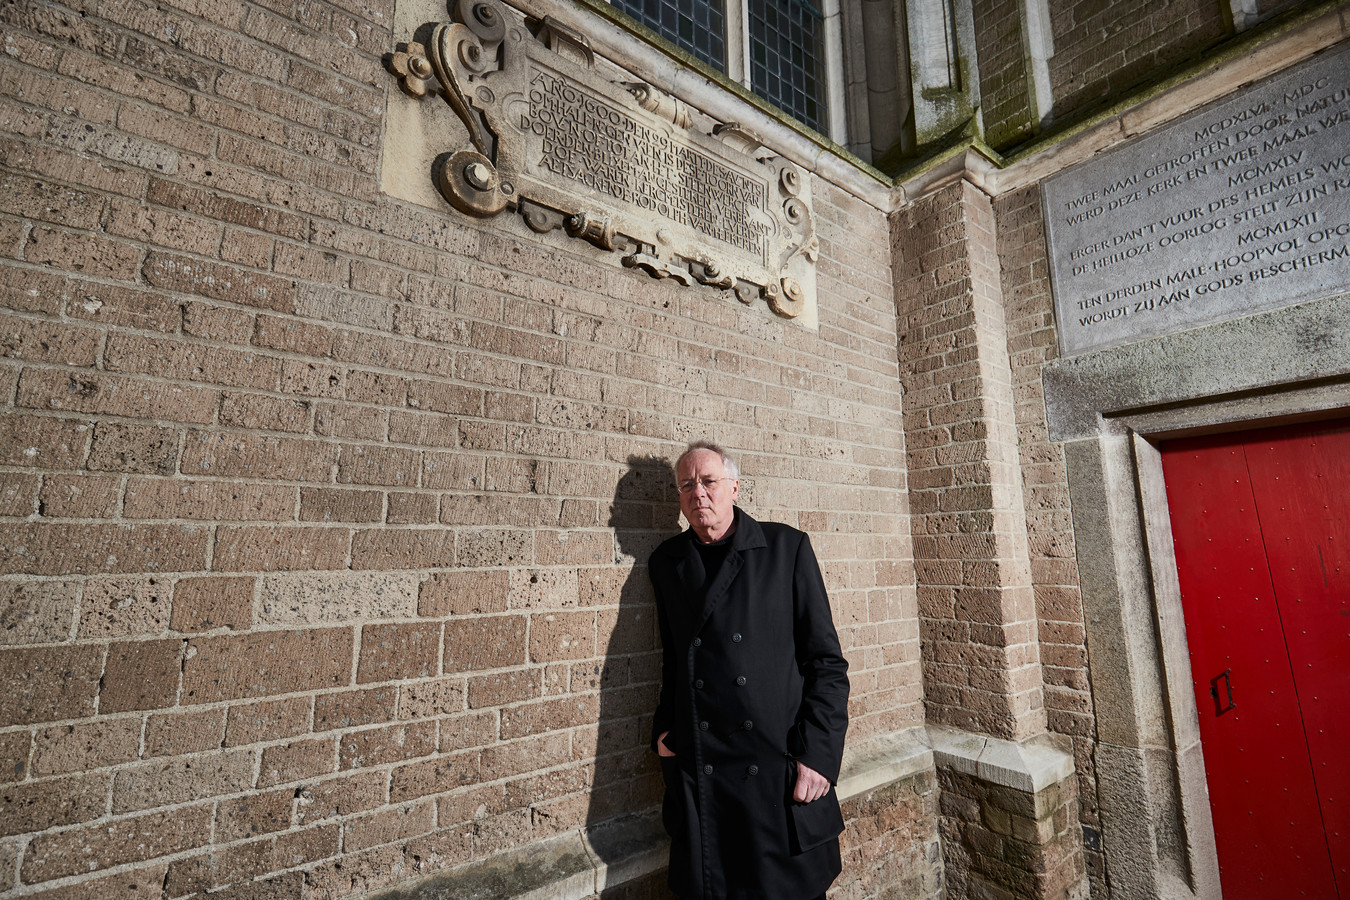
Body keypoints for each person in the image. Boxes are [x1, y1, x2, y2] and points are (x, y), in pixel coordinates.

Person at [649, 441, 850, 900]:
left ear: (734, 487)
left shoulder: (786, 549)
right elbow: (674, 658)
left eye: (708, 481)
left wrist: (819, 755)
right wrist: (665, 729)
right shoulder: (667, 563)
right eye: (686, 484)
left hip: (776, 778)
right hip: (703, 775)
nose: (697, 492)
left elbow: (826, 664)